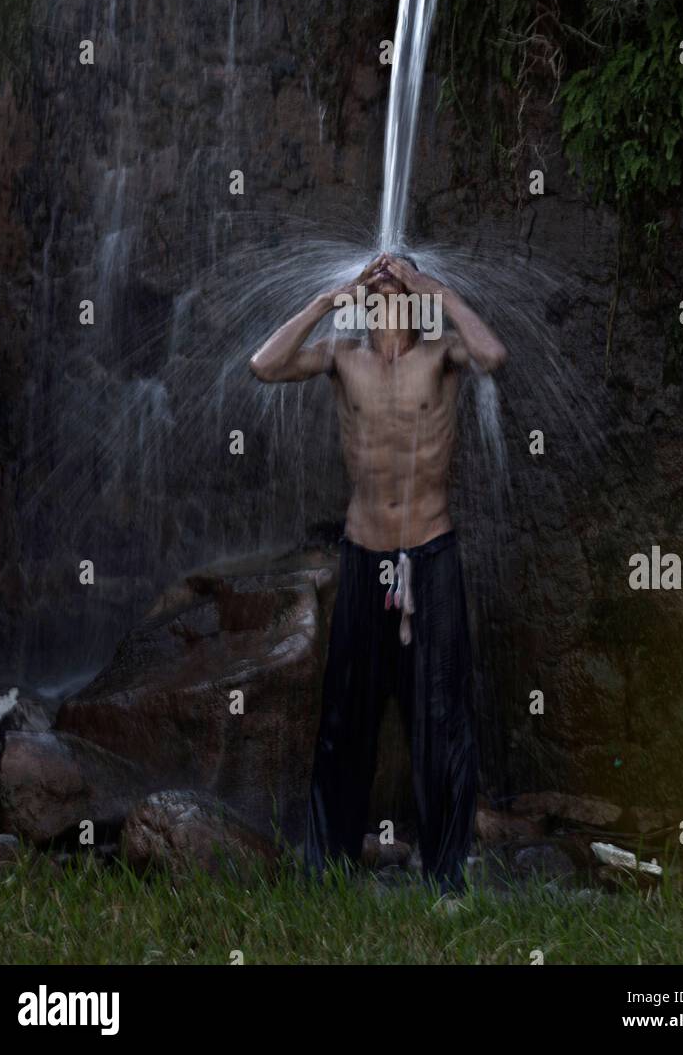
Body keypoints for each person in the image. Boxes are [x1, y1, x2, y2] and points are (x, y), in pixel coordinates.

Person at [250, 251, 507, 892]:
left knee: (442, 718)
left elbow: (494, 355)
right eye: (378, 276)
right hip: (364, 554)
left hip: (429, 552)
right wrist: (324, 301)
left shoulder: (441, 355)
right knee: (345, 716)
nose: (386, 280)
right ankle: (328, 866)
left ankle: (445, 876)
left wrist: (436, 289)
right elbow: (264, 365)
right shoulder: (342, 356)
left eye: (398, 275)